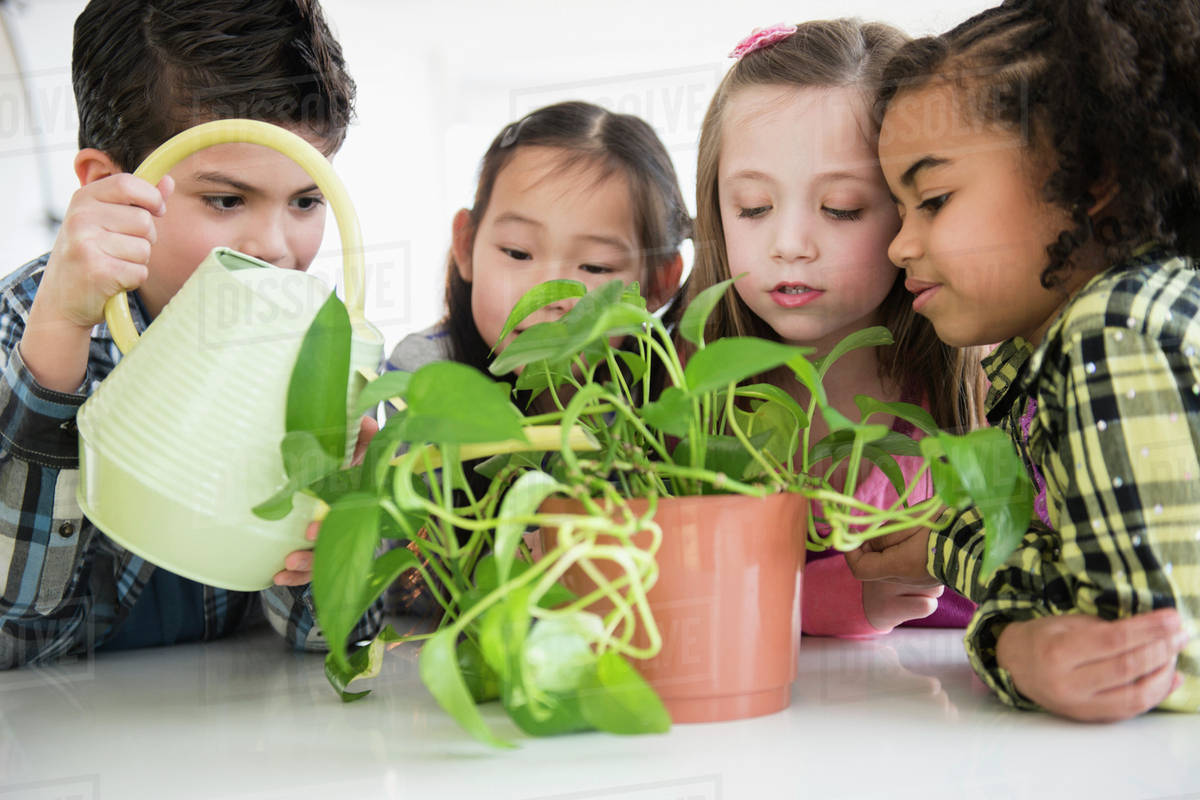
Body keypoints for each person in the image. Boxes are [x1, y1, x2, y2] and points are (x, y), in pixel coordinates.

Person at [850, 0, 1200, 721]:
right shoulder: (1128, 316)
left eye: (935, 199)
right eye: (898, 207)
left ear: (1088, 179)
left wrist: (995, 624)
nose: (899, 245)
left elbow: (1143, 654)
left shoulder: (1116, 330)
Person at [0, 0, 378, 667]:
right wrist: (58, 338)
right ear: (110, 186)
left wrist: (341, 527)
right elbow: (15, 627)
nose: (277, 247)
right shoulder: (27, 321)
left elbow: (331, 636)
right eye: (227, 200)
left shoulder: (318, 349)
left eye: (306, 201)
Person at [687, 20, 988, 637]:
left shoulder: (988, 397)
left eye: (841, 208)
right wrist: (818, 600)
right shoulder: (678, 394)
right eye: (753, 208)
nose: (790, 244)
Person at [383, 100, 691, 615]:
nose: (550, 293)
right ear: (466, 245)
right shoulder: (429, 374)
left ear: (659, 281)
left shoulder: (666, 392)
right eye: (518, 253)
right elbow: (407, 581)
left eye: (594, 265)